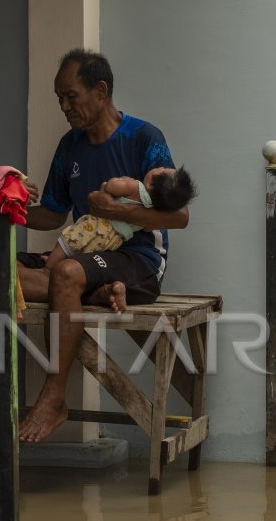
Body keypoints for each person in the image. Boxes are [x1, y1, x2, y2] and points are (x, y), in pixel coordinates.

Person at [18, 49, 191, 444]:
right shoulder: (69, 147)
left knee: (65, 273)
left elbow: (179, 217)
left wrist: (117, 210)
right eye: (59, 98)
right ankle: (89, 291)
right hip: (86, 257)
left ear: (101, 90)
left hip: (139, 259)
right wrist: (1, 205)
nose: (64, 106)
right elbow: (53, 214)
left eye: (71, 96)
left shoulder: (144, 137)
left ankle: (54, 397)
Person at [46, 166, 197, 266]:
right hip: (114, 240)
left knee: (68, 240)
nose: (160, 166)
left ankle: (49, 267)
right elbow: (147, 228)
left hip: (99, 225)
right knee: (85, 253)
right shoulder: (153, 209)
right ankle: (60, 263)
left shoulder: (134, 186)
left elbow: (113, 186)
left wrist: (111, 183)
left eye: (162, 169)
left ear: (150, 185)